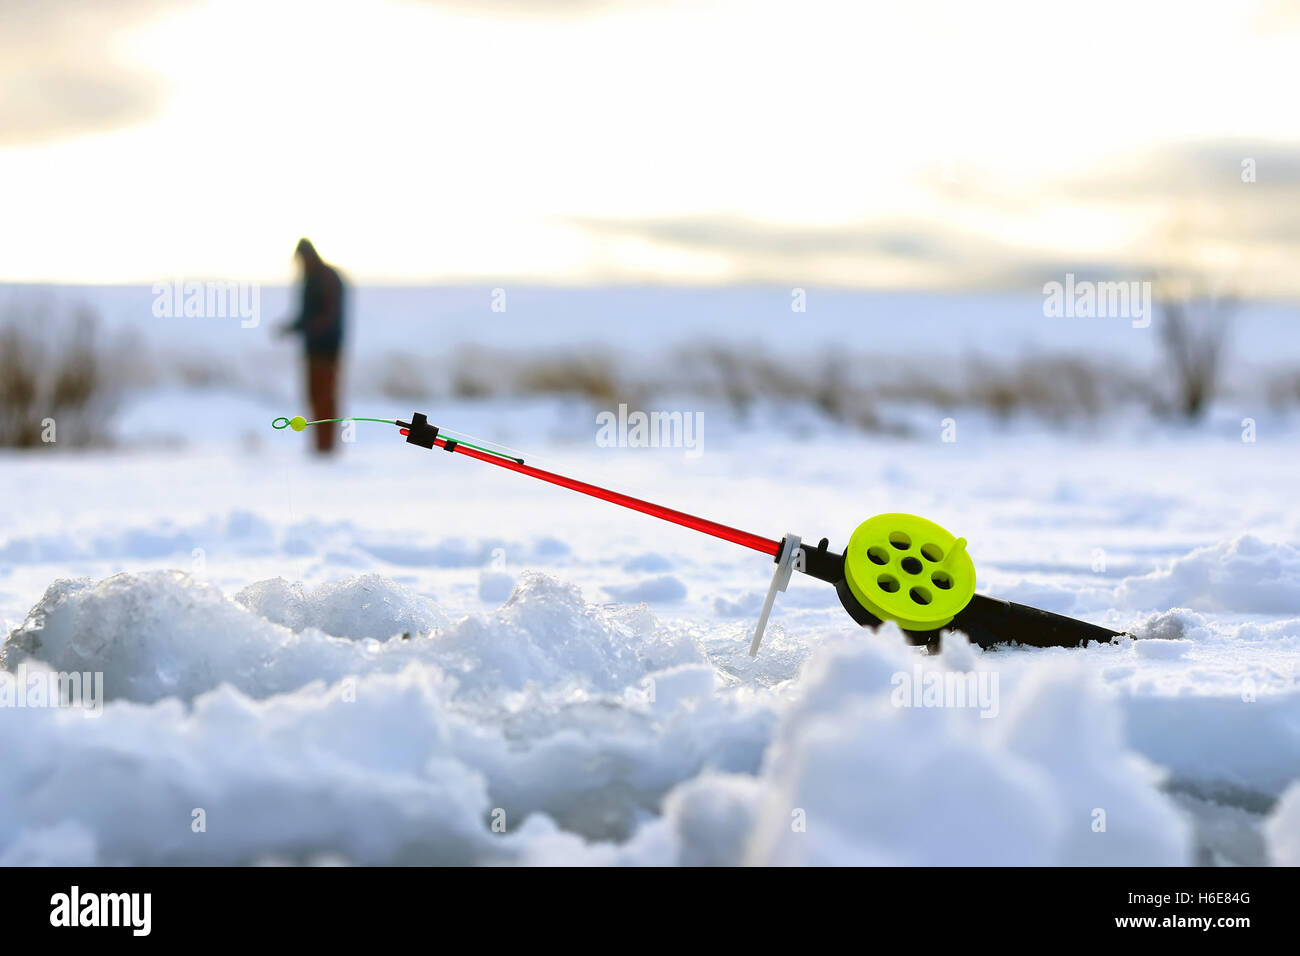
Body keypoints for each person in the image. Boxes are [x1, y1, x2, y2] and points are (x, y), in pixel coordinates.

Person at [279, 238, 346, 453]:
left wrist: (306, 327)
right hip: (312, 350)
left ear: (308, 257)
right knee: (314, 398)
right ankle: (320, 447)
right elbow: (308, 316)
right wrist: (294, 327)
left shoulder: (327, 277)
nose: (300, 264)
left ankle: (327, 448)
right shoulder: (311, 279)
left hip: (328, 351)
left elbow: (329, 315)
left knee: (325, 399)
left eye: (301, 260)